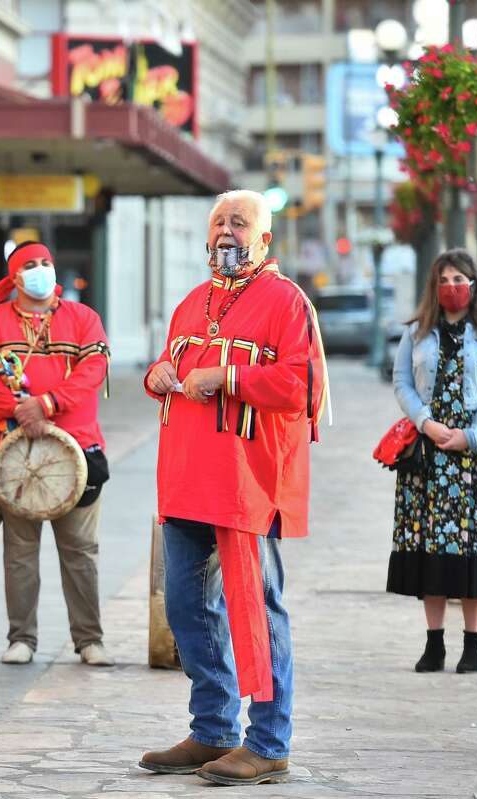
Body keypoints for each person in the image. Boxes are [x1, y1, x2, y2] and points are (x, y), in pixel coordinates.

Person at [139, 190, 328, 786]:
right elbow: (168, 366)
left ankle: (269, 741)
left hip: (247, 482)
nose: (227, 230)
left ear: (264, 239)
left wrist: (227, 377)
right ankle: (212, 729)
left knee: (255, 613)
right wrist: (158, 373)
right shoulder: (193, 301)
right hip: (186, 479)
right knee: (186, 609)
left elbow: (301, 384)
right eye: (218, 221)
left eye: (240, 222)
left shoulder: (285, 300)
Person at [0, 241, 114, 668]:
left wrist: (46, 405)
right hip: (13, 455)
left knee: (81, 550)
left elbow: (93, 370)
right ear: (14, 277)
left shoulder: (84, 318)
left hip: (77, 451)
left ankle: (89, 639)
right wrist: (19, 409)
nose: (41, 270)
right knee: (20, 552)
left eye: (46, 262)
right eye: (30, 265)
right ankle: (21, 638)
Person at [389, 248, 477, 674]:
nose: (452, 288)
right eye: (444, 281)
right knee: (431, 547)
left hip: (474, 455)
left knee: (473, 547)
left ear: (474, 285)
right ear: (433, 287)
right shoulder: (417, 331)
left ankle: (473, 644)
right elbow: (402, 380)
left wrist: (471, 435)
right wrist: (426, 423)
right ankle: (434, 644)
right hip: (428, 451)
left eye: (460, 280)